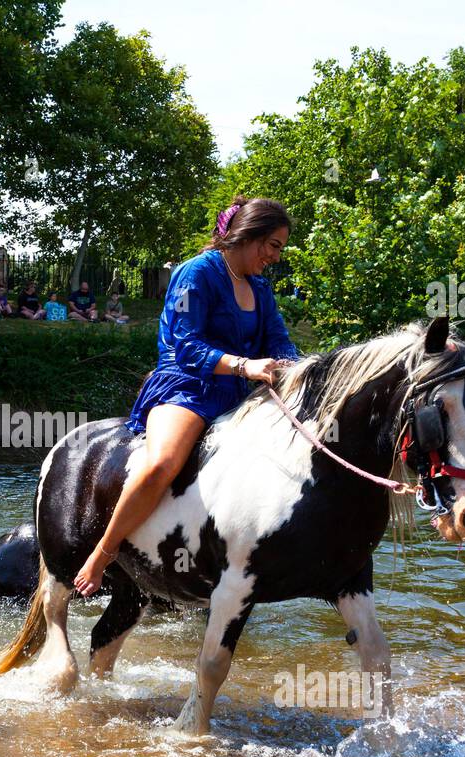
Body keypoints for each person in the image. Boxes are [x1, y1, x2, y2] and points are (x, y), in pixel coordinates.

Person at [73, 196, 300, 596]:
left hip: (236, 395)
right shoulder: (195, 273)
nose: (275, 257)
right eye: (274, 245)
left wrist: (304, 370)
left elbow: (280, 343)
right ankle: (103, 553)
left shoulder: (260, 289)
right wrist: (244, 366)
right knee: (162, 463)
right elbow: (185, 345)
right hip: (186, 386)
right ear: (250, 235)